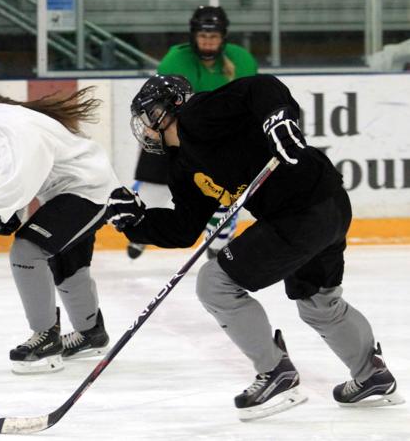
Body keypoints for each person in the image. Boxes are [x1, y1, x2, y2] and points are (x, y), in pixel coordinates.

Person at [107, 74, 403, 420]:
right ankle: (373, 376)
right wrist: (137, 223)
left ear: (167, 109)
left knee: (215, 283)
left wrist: (278, 120)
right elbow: (185, 228)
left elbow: (261, 87)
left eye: (146, 115)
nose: (142, 128)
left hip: (302, 210)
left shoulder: (198, 113)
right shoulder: (181, 166)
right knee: (318, 302)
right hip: (324, 208)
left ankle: (276, 372)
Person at [0, 62, 115, 374]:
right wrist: (6, 214)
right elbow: (10, 173)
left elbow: (23, 171)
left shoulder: (3, 124)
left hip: (87, 190)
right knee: (65, 261)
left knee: (27, 250)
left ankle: (46, 338)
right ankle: (90, 334)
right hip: (75, 189)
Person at [128, 6, 258, 260]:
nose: (208, 42)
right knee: (154, 188)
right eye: (203, 36)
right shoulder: (175, 60)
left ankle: (218, 243)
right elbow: (157, 105)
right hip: (173, 134)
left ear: (223, 37)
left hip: (217, 144)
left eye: (213, 37)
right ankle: (143, 228)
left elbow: (249, 105)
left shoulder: (241, 60)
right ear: (193, 36)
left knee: (221, 196)